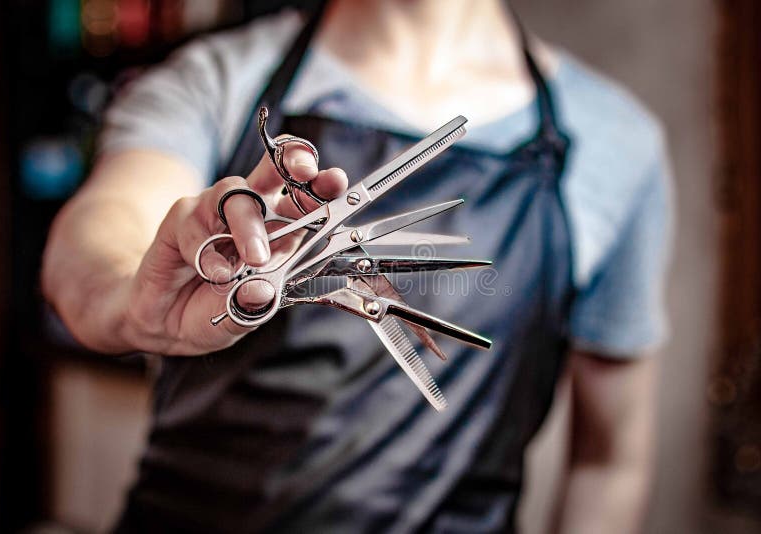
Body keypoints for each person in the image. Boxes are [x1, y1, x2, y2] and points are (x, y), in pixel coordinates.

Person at [41, 0, 673, 532]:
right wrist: (130, 302)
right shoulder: (217, 79)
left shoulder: (614, 141)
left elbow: (608, 462)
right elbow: (100, 232)